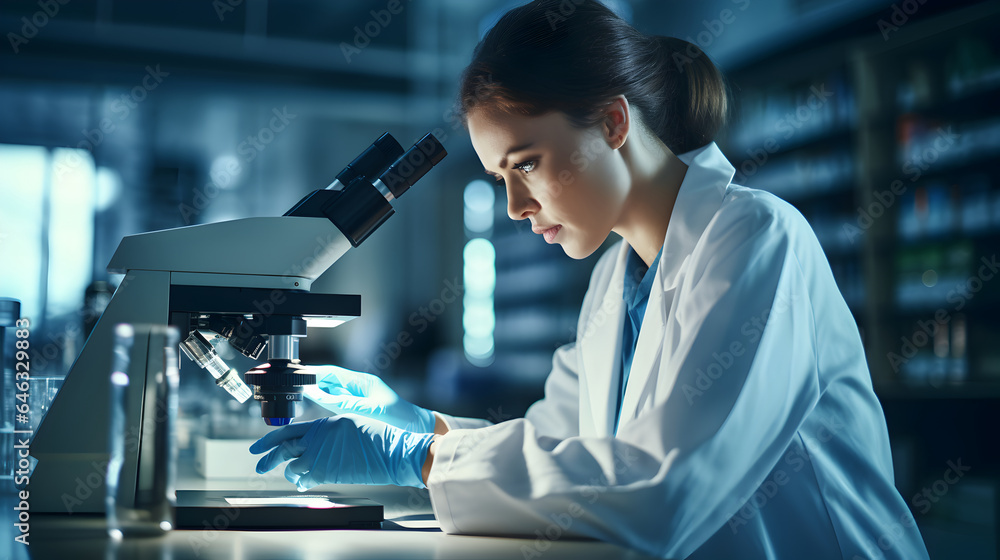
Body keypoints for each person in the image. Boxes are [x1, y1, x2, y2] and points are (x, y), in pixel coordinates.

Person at [250, 1, 929, 558]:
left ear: (612, 123)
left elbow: (665, 491)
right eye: (499, 177)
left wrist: (418, 458)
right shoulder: (614, 276)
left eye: (526, 164)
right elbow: (566, 450)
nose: (514, 207)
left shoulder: (756, 237)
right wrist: (421, 425)